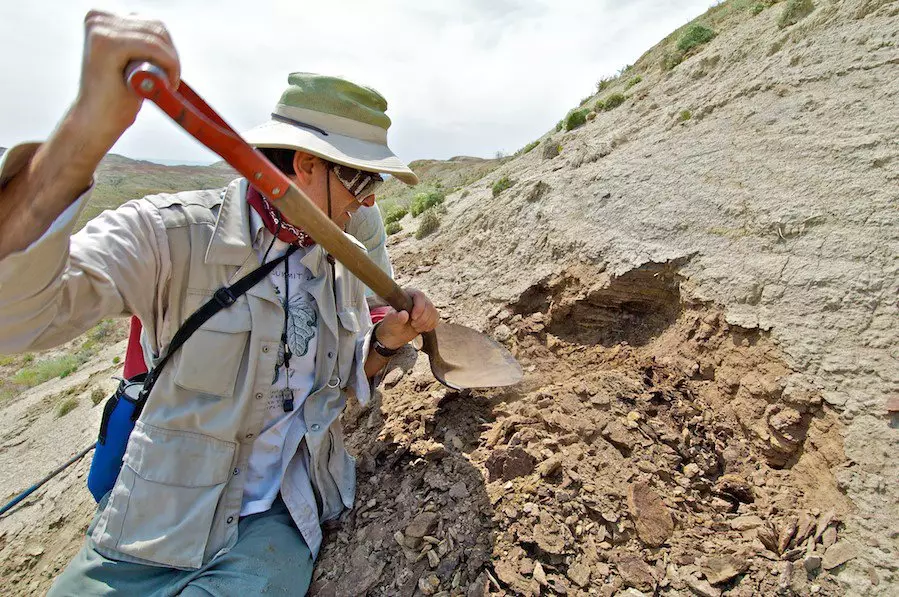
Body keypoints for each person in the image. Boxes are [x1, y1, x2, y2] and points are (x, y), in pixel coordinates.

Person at [0, 10, 437, 596]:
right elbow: (16, 317)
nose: (366, 206)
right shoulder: (171, 236)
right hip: (152, 527)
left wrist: (384, 340)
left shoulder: (343, 259)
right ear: (306, 167)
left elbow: (334, 376)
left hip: (277, 523)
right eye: (360, 183)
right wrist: (80, 140)